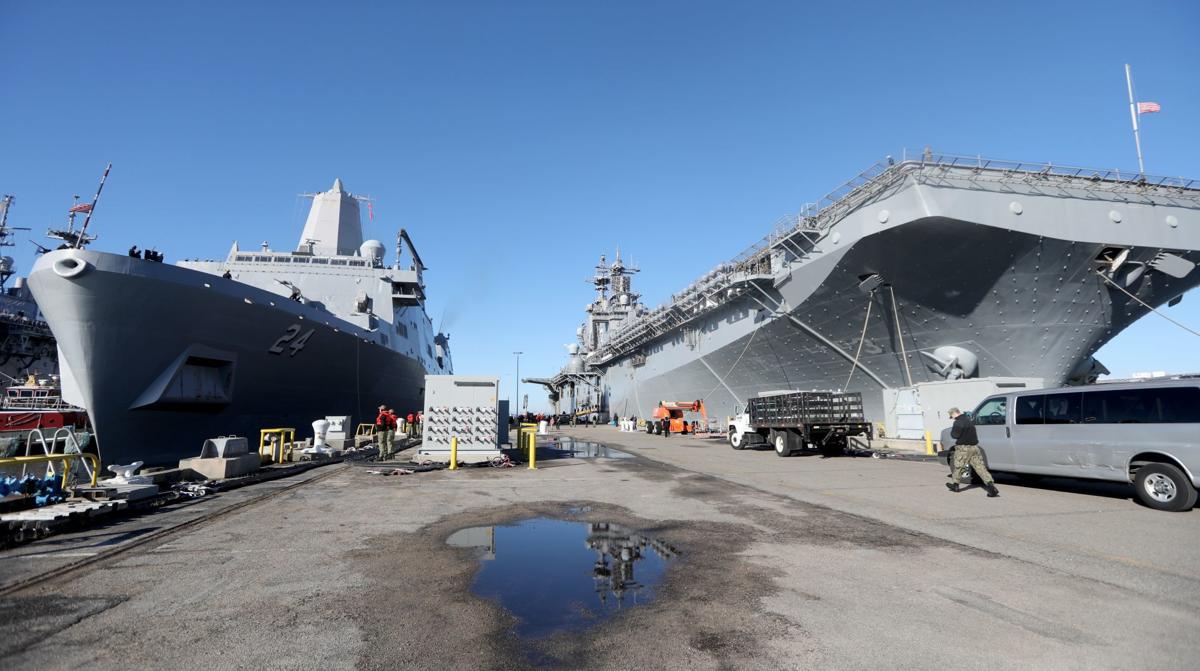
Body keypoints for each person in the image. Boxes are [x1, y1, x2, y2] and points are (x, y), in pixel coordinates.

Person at [946, 407, 999, 497]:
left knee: (958, 466)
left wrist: (953, 431)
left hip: (963, 448)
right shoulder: (969, 421)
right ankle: (991, 487)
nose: (953, 418)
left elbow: (954, 435)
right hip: (975, 448)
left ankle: (955, 485)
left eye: (952, 416)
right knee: (980, 467)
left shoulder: (958, 422)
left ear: (954, 413)